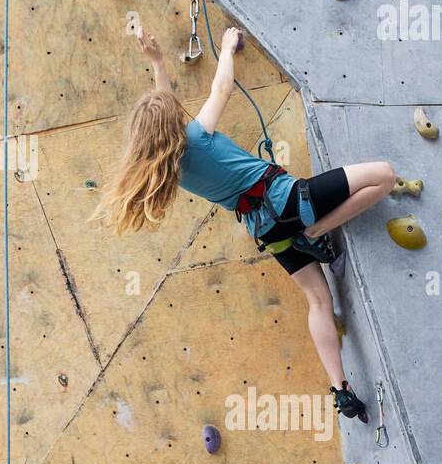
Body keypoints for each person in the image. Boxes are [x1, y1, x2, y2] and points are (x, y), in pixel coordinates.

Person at [90, 28, 396, 421]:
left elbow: (164, 110)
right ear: (172, 124)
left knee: (319, 300)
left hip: (266, 229)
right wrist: (227, 47)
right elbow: (222, 89)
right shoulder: (196, 136)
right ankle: (318, 232)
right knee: (384, 175)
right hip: (290, 201)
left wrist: (158, 64)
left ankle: (340, 389)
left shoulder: (170, 170)